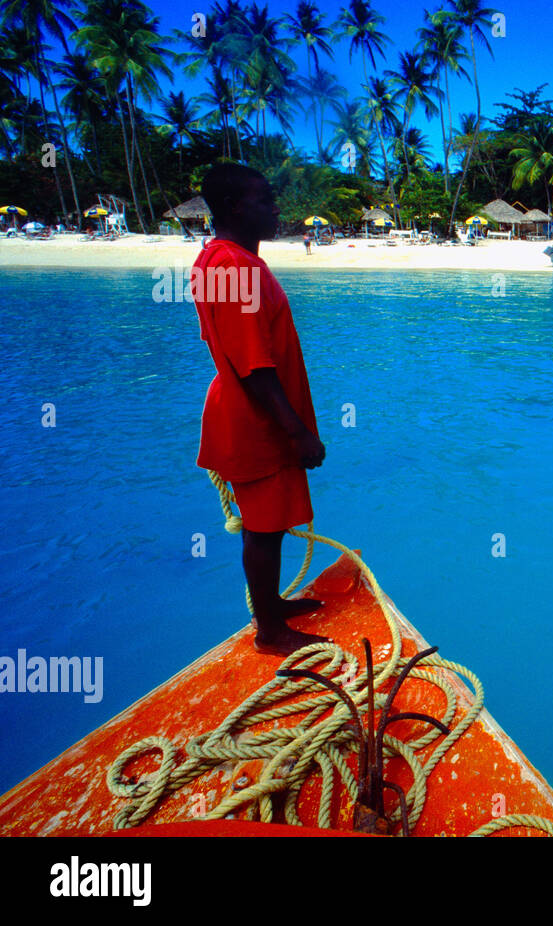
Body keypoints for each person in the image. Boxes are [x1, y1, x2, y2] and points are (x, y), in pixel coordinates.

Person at [193, 163, 329, 656]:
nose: (275, 209)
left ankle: (270, 606)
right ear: (234, 207)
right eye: (264, 200)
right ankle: (270, 630)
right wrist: (297, 433)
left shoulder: (217, 259)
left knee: (265, 523)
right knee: (264, 528)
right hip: (255, 420)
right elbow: (254, 366)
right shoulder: (234, 267)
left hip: (244, 410)